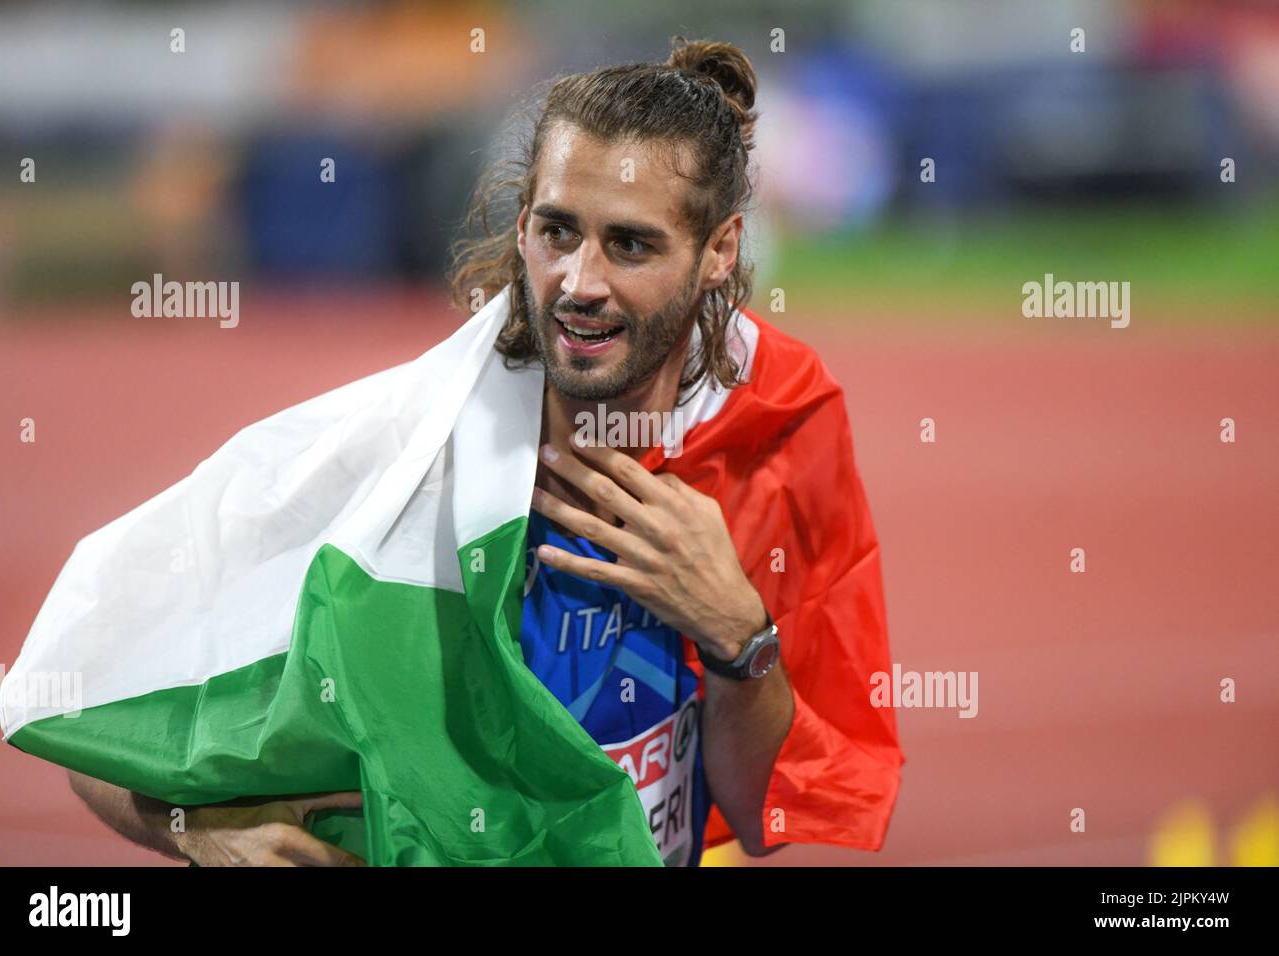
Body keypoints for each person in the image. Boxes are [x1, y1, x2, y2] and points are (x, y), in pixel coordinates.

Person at [63, 36, 902, 866]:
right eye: (557, 231)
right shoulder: (401, 465)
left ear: (719, 251)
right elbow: (90, 683)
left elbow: (759, 819)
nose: (579, 282)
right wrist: (199, 832)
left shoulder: (760, 436)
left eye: (631, 244)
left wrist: (739, 641)